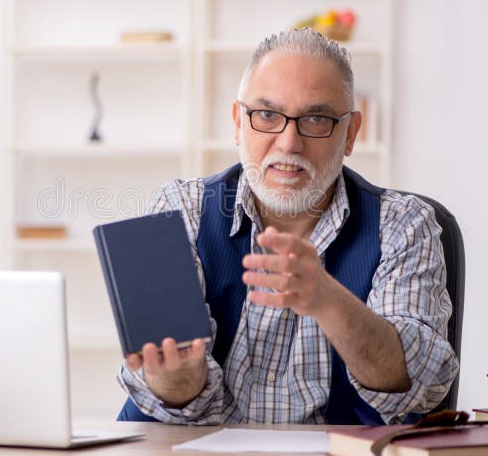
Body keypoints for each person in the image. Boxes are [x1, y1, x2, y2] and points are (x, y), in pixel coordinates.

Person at [116, 28, 458, 425]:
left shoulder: (403, 224)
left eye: (316, 118)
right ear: (238, 123)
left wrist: (328, 299)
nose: (288, 142)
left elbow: (423, 382)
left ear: (349, 133)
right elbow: (172, 396)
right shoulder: (181, 211)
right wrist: (176, 377)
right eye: (266, 115)